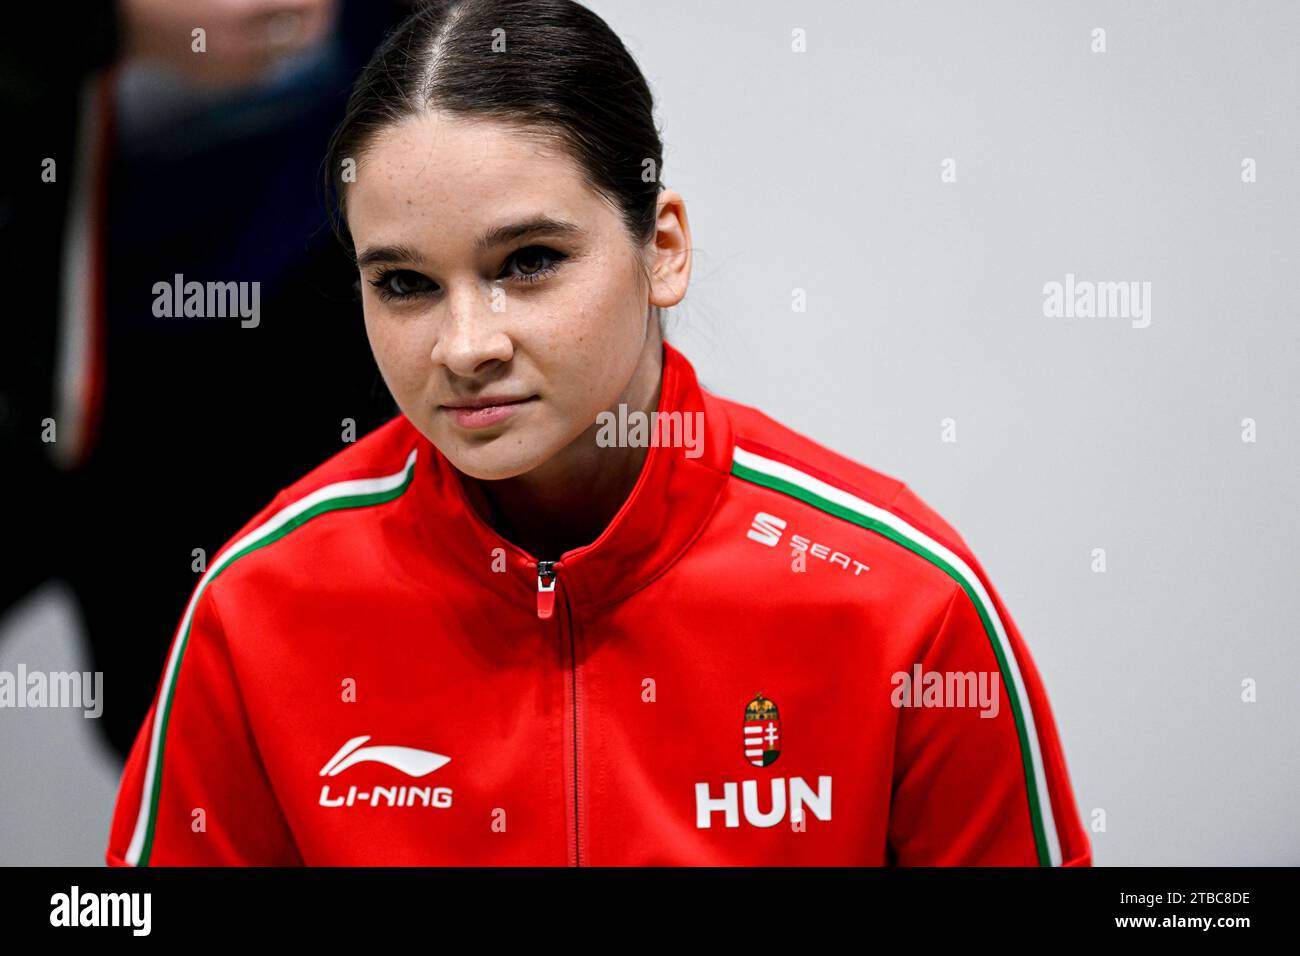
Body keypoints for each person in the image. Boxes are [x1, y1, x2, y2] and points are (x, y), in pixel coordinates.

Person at [106, 0, 1091, 866]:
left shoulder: (897, 604)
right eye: (403, 282)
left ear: (661, 249)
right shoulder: (255, 608)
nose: (466, 345)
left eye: (528, 260)